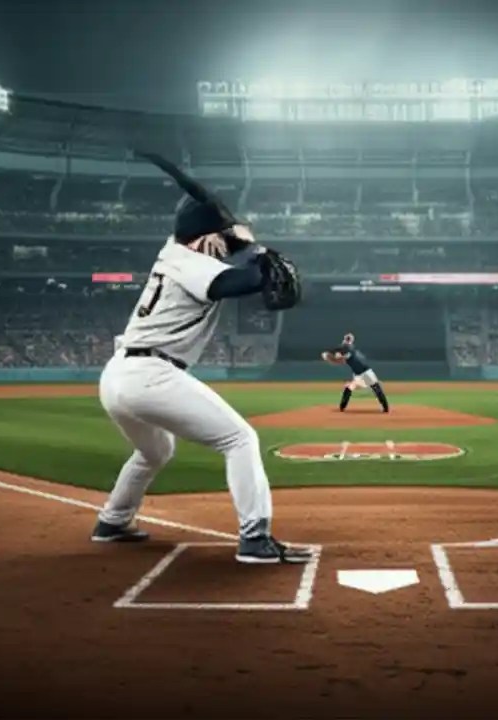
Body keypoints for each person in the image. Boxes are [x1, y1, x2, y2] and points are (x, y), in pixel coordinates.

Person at [93, 153, 311, 565]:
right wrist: (257, 253)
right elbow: (239, 282)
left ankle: (113, 520)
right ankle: (255, 538)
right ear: (203, 238)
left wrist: (239, 239)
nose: (224, 244)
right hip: (151, 376)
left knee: (155, 452)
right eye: (219, 237)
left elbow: (214, 227)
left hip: (119, 375)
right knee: (240, 439)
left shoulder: (176, 250)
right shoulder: (192, 264)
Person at [322, 333, 389, 413]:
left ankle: (386, 408)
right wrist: (330, 356)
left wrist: (328, 354)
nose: (347, 341)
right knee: (349, 388)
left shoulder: (349, 348)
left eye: (348, 340)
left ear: (350, 341)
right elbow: (340, 358)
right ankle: (342, 408)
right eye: (347, 339)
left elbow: (338, 351)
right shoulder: (347, 350)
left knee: (376, 388)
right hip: (357, 376)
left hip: (366, 373)